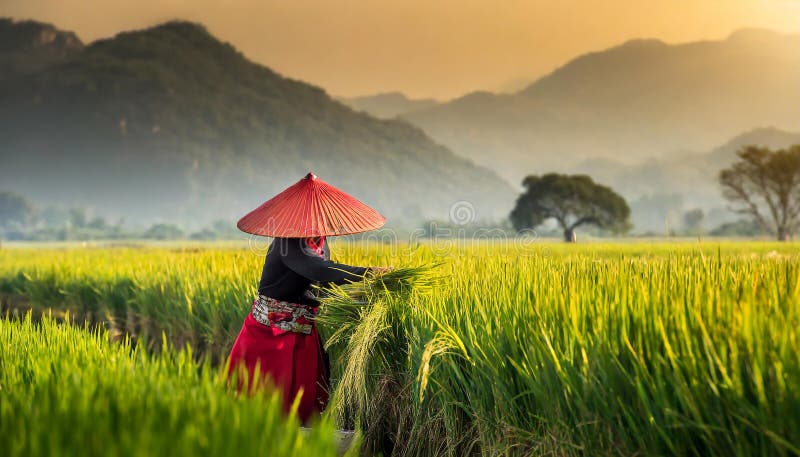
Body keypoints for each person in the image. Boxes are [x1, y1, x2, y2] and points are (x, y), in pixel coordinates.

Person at [227, 172, 388, 423]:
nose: (317, 221)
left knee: (304, 400)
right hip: (270, 333)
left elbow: (321, 285)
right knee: (266, 404)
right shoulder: (288, 242)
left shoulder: (320, 242)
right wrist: (367, 273)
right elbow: (318, 270)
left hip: (302, 331)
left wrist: (359, 298)